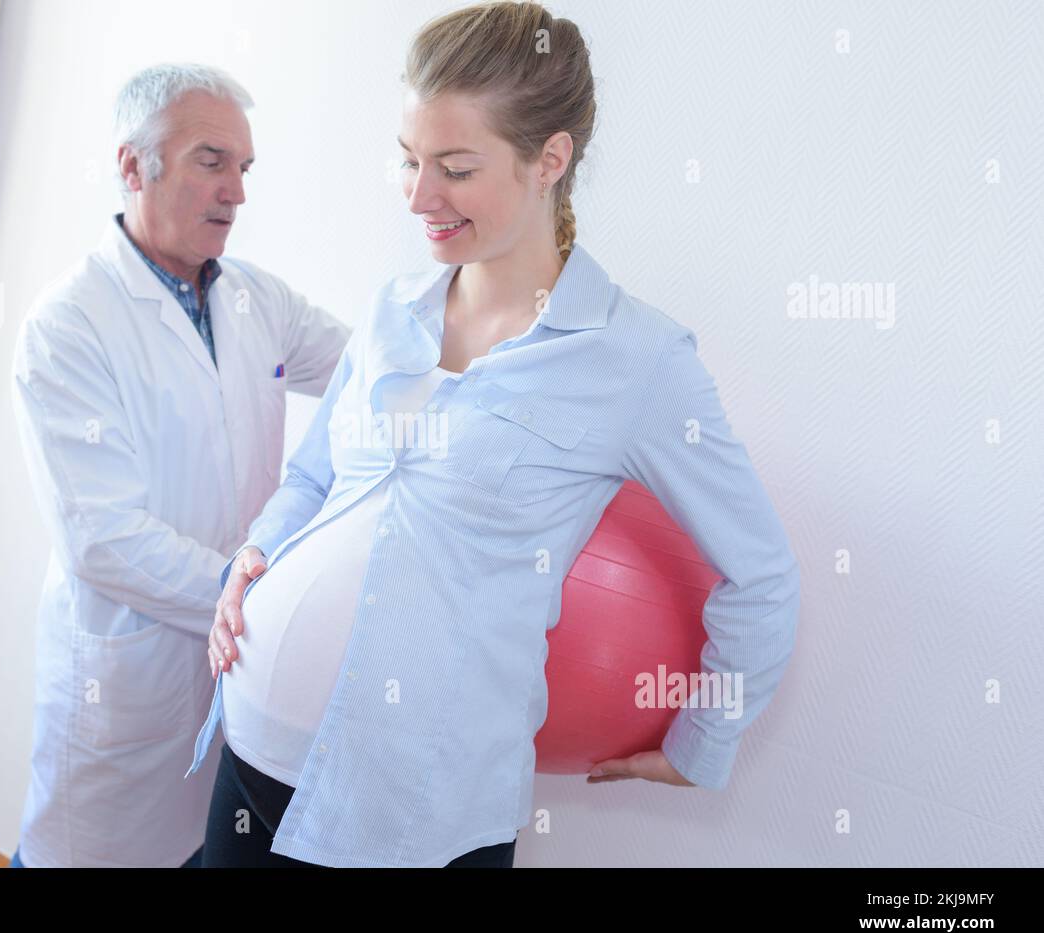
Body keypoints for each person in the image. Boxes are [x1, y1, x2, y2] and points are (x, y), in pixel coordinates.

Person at [190, 1, 801, 868]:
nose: (417, 195)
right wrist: (251, 560)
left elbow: (765, 575)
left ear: (550, 159)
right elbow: (315, 480)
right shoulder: (392, 306)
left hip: (417, 809)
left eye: (455, 167)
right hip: (252, 747)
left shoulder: (636, 360)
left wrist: (704, 739)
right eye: (407, 160)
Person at [8, 63, 350, 867]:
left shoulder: (257, 300)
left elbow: (367, 375)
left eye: (244, 167)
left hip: (226, 678)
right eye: (211, 160)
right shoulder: (67, 326)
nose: (236, 190)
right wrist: (247, 594)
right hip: (126, 683)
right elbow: (105, 539)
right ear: (133, 165)